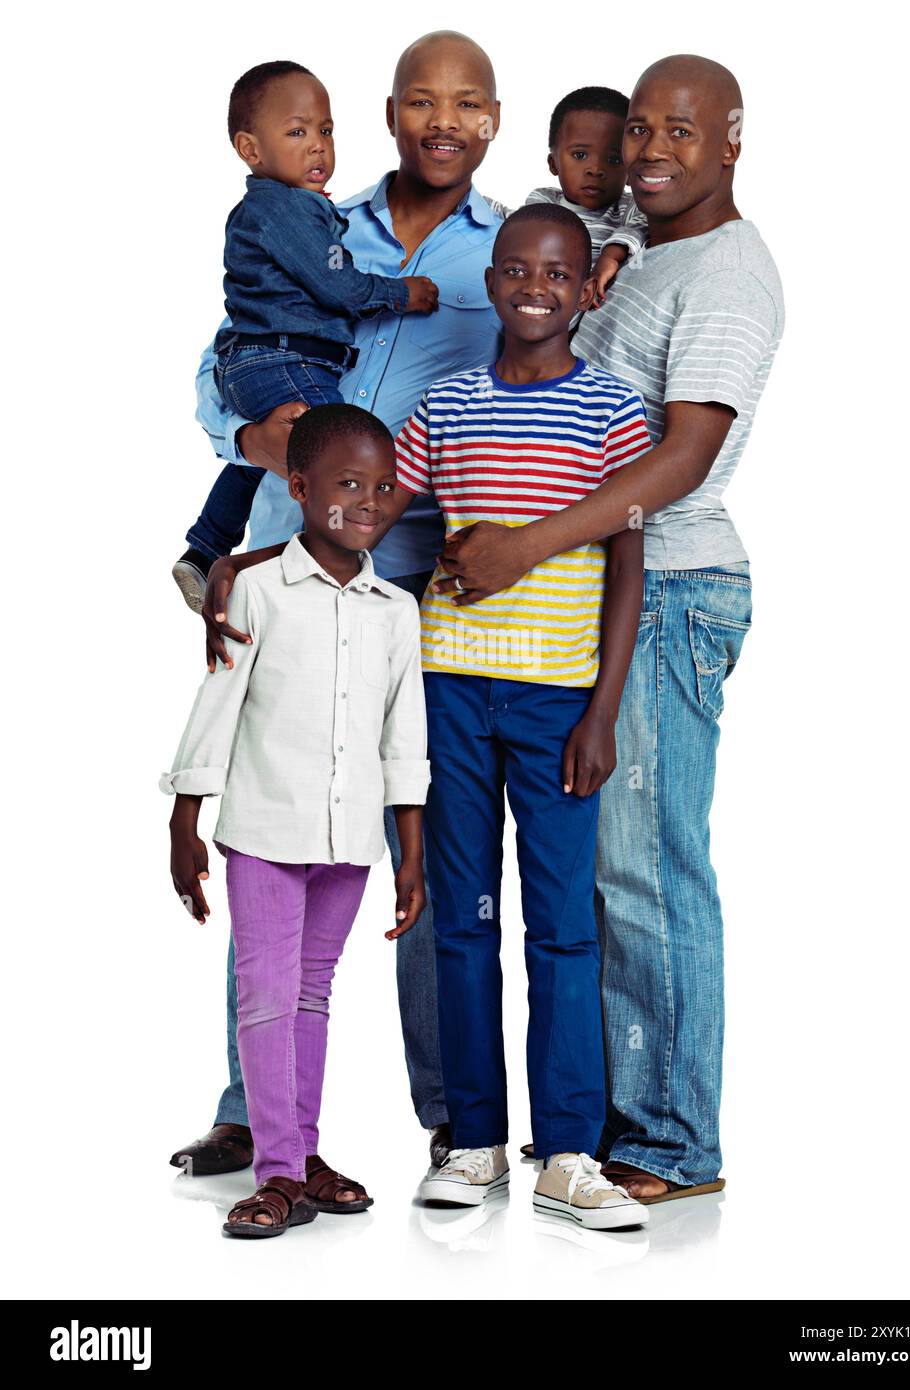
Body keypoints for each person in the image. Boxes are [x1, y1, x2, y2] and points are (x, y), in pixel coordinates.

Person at [432, 55, 785, 1205]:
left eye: (680, 130)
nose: (650, 151)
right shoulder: (635, 241)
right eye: (636, 128)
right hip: (568, 607)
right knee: (591, 876)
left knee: (645, 872)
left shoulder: (726, 273)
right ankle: (593, 1122)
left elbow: (679, 458)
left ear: (730, 140)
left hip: (667, 587)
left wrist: (525, 543)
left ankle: (673, 1141)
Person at [173, 30, 504, 1182]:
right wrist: (252, 436)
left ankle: (453, 1117)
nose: (442, 121)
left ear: (491, 120)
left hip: (418, 582)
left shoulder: (508, 252)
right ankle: (252, 1112)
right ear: (391, 112)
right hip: (282, 561)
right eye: (421, 100)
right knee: (268, 829)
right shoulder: (315, 216)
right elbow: (219, 365)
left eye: (466, 103)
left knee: (424, 834)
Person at [391, 204, 654, 1229]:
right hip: (448, 688)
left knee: (562, 927)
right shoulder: (447, 405)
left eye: (555, 273)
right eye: (514, 269)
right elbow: (374, 511)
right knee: (460, 920)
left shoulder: (612, 411)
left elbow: (626, 565)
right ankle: (474, 1142)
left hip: (558, 703)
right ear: (491, 280)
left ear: (585, 289)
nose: (533, 287)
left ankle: (571, 1152)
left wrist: (603, 710)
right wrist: (258, 558)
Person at [161, 405, 431, 1237]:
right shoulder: (255, 589)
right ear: (301, 488)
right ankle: (278, 1171)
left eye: (383, 487)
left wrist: (410, 852)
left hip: (349, 841)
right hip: (264, 833)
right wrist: (184, 819)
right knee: (267, 997)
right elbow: (219, 702)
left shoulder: (395, 610)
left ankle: (299, 1155)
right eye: (348, 484)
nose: (369, 502)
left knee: (312, 996)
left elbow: (403, 734)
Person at [171, 60, 437, 613]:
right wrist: (401, 294)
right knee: (341, 451)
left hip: (265, 361)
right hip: (281, 358)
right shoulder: (286, 207)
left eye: (326, 130)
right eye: (297, 132)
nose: (318, 145)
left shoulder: (284, 207)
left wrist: (250, 441)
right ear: (250, 149)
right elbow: (338, 286)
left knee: (274, 453)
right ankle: (327, 563)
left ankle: (205, 548)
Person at [485, 85, 647, 302]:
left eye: (613, 159)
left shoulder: (628, 208)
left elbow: (644, 224)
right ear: (554, 164)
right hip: (538, 305)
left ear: (630, 170)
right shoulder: (545, 202)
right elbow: (511, 221)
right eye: (580, 155)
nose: (595, 169)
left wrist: (611, 255)